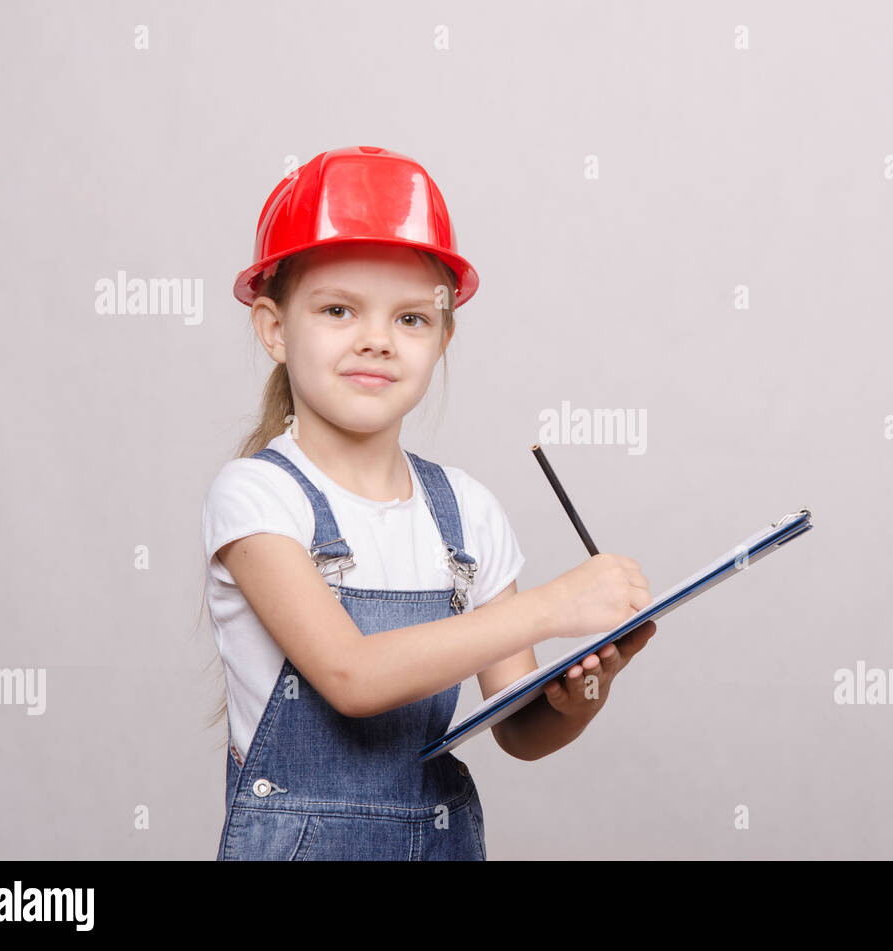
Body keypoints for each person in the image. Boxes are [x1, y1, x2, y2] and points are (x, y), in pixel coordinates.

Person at [203, 146, 657, 860]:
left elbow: (520, 729)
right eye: (338, 309)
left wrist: (581, 693)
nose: (377, 340)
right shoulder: (257, 495)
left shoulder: (466, 513)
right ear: (274, 329)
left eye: (412, 319)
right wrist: (554, 604)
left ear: (444, 337)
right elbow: (351, 676)